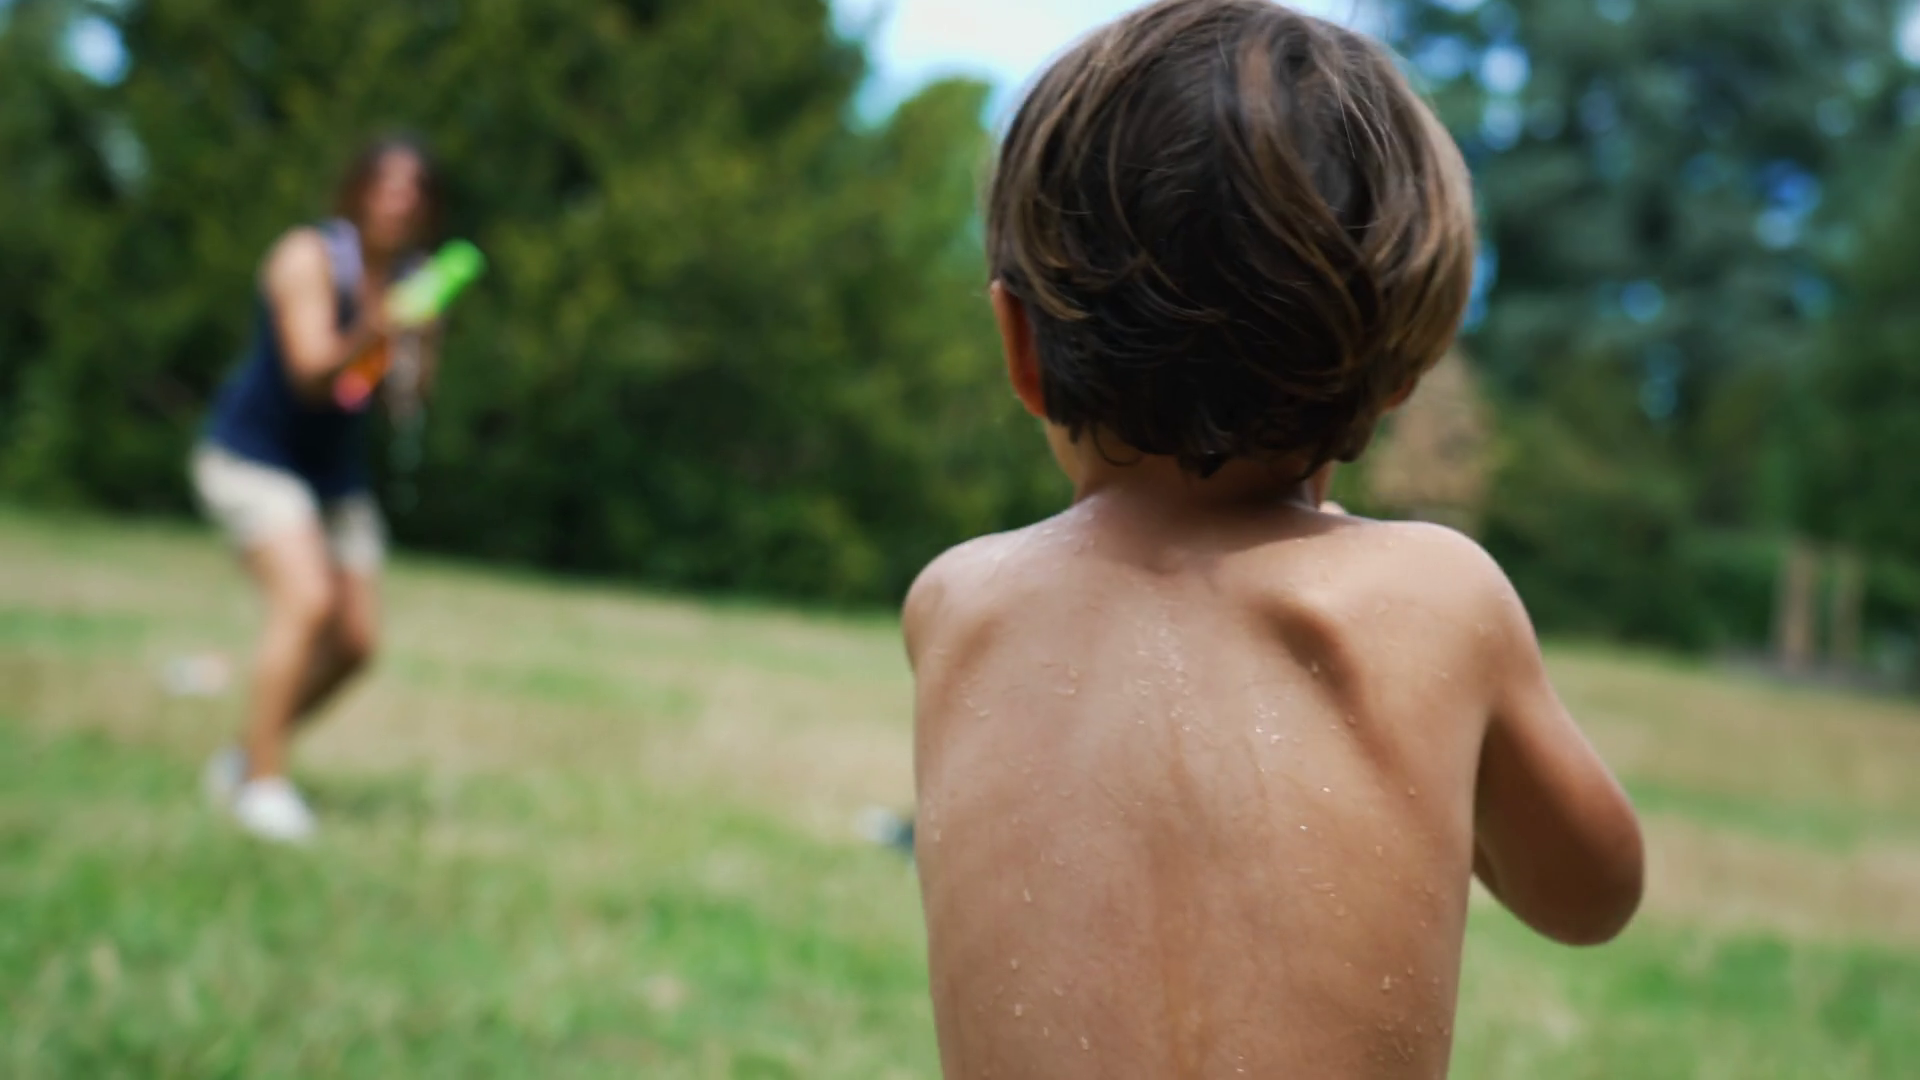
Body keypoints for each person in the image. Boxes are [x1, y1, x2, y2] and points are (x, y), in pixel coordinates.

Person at [902, 2, 1645, 1076]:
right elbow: (1591, 894)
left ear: (1019, 344)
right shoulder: (1435, 600)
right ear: (1403, 369)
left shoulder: (958, 601)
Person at [191, 137, 444, 843]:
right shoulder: (306, 258)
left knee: (358, 643)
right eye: (387, 185)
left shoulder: (414, 278)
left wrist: (421, 342)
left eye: (415, 189)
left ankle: (245, 753)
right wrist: (376, 325)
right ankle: (263, 786)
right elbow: (310, 374)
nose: (400, 201)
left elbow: (403, 402)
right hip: (254, 457)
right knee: (305, 601)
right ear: (358, 189)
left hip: (333, 476)